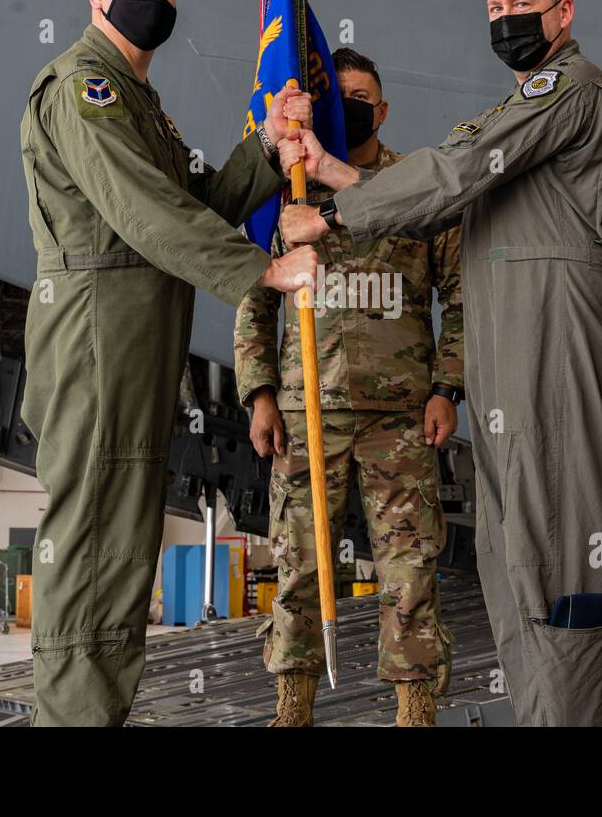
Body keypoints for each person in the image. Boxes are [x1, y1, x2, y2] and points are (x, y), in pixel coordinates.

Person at [276, 0, 602, 726]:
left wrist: (332, 211)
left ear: (563, 12)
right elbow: (453, 186)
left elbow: (459, 170)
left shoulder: (569, 89)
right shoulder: (520, 110)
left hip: (552, 341)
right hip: (513, 352)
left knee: (554, 562)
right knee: (510, 561)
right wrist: (338, 172)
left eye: (522, 6)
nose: (507, 21)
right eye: (496, 10)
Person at [19, 0, 316, 726]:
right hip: (97, 347)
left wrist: (266, 142)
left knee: (121, 559)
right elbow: (146, 214)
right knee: (90, 559)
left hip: (135, 350)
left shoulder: (142, 105)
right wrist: (262, 270)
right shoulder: (86, 90)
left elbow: (196, 207)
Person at [234, 48, 464, 727]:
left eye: (365, 96)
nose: (354, 105)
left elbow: (462, 295)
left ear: (383, 108)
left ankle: (415, 705)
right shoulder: (291, 186)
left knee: (411, 570)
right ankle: (292, 706)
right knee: (299, 566)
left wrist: (447, 386)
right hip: (309, 414)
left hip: (400, 419)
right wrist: (260, 393)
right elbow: (253, 294)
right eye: (343, 96)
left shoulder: (416, 187)